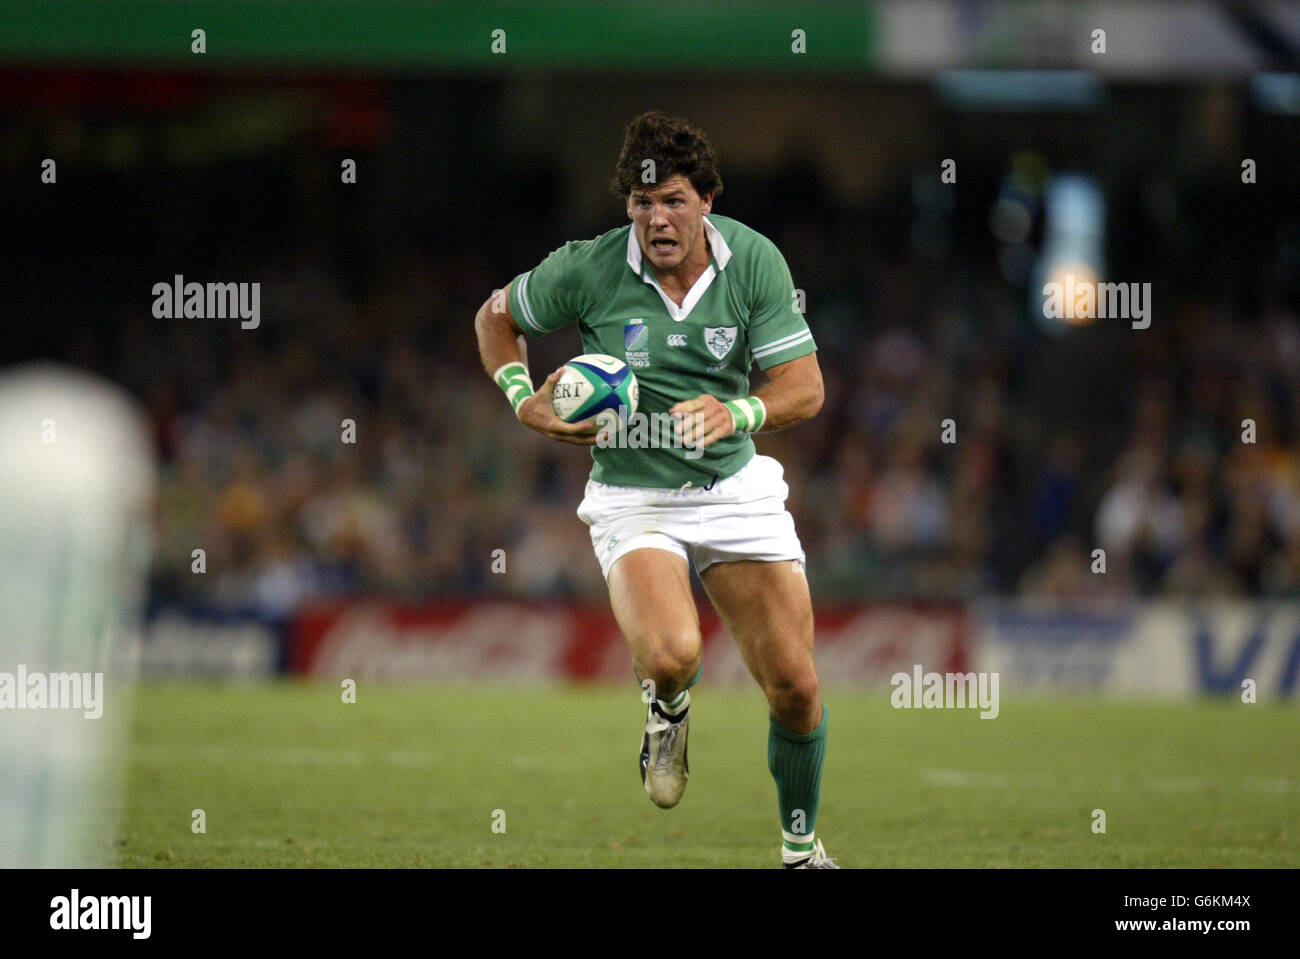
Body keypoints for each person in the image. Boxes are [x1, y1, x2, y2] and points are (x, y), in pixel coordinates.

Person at [474, 111, 835, 868]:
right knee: (673, 654)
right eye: (641, 204)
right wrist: (521, 396)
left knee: (797, 685)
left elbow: (804, 387)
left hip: (733, 485)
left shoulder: (755, 261)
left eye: (672, 199)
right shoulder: (588, 266)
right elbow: (496, 317)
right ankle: (666, 706)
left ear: (706, 201)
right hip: (634, 496)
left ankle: (801, 852)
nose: (656, 218)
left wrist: (738, 408)